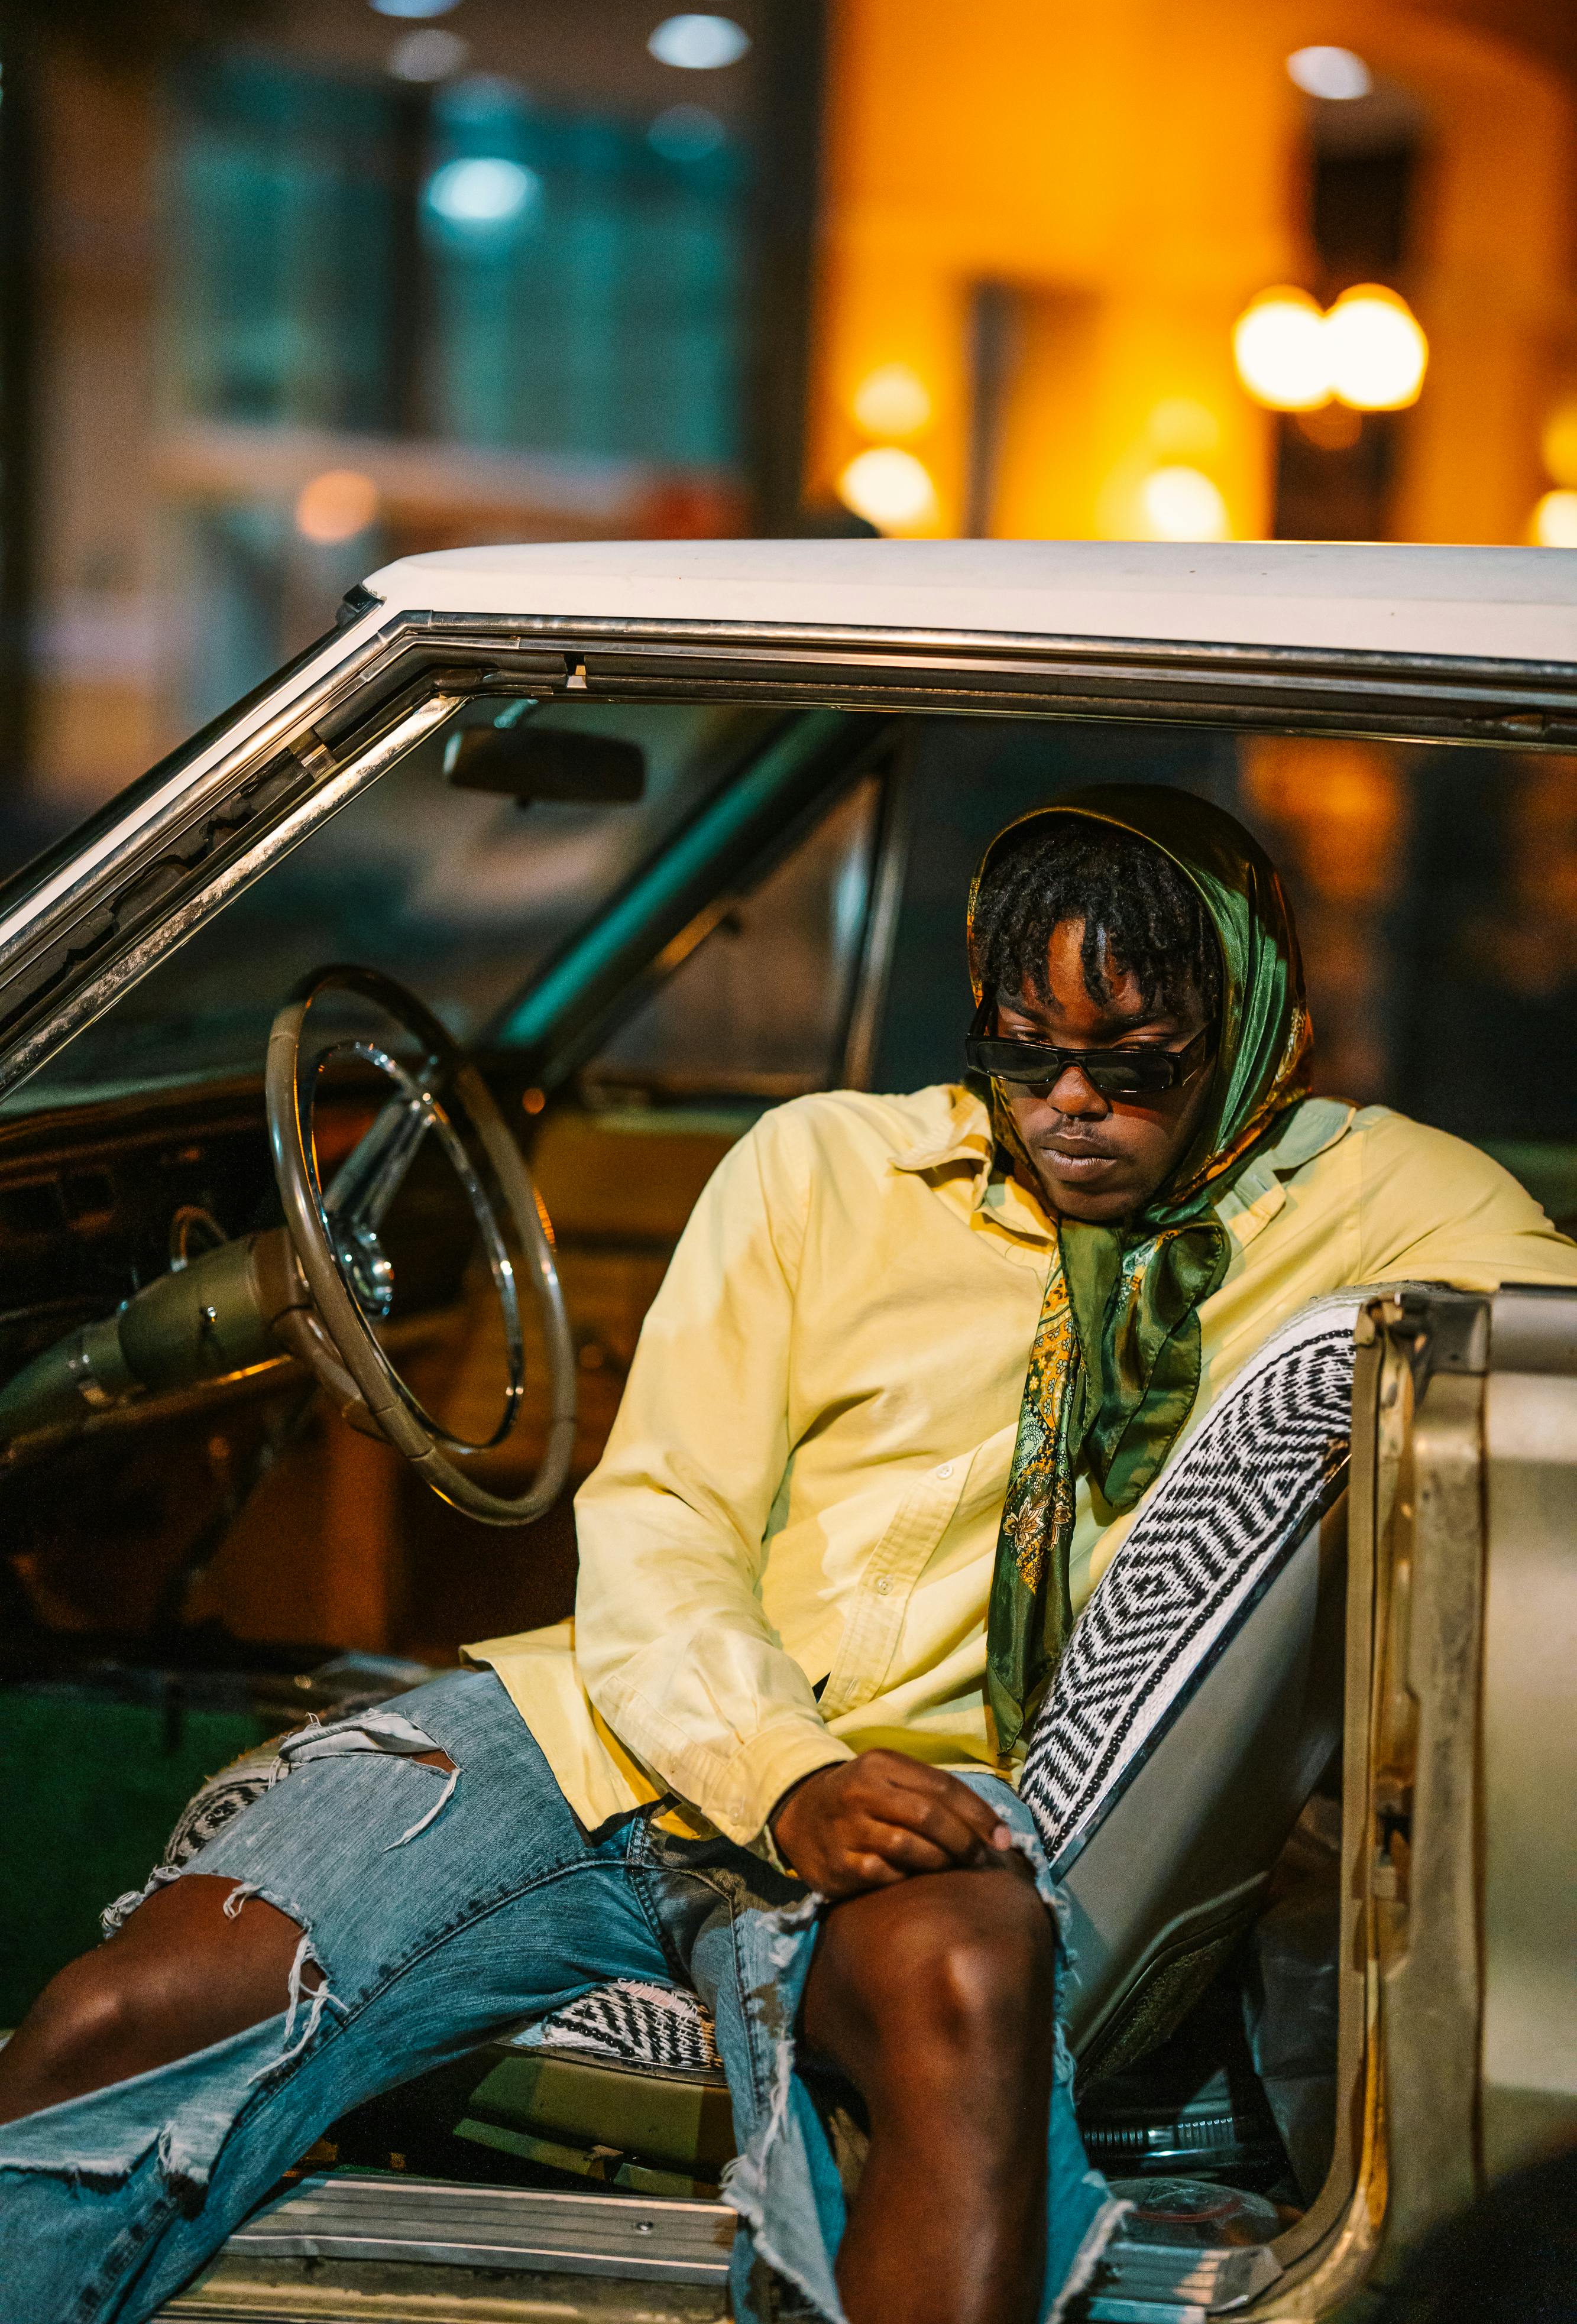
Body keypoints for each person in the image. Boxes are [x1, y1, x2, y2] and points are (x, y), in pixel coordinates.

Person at [1, 785, 1572, 2324]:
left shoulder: (1382, 1203)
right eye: (1022, 1052)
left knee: (963, 1995)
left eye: (1135, 1066)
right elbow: (664, 1519)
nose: (1069, 1105)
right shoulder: (821, 1169)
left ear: (1258, 1034)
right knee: (129, 2014)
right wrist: (786, 1775)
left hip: (934, 1802)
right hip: (611, 1735)